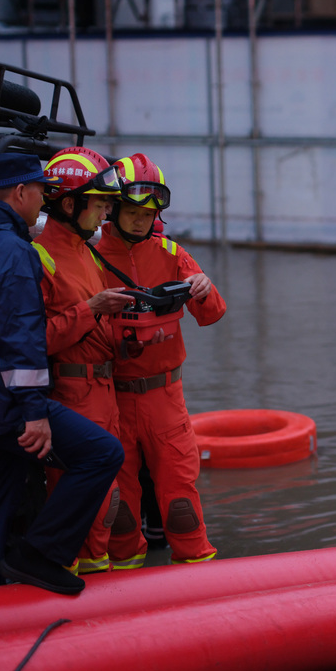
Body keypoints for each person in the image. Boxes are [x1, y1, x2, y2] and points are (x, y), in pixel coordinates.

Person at [0, 152, 123, 595]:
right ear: (20, 192)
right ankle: (40, 556)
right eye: (39, 191)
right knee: (102, 454)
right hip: (4, 405)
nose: (44, 200)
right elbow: (20, 339)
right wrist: (33, 413)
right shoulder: (12, 250)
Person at [95, 153, 224, 569]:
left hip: (164, 394)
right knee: (118, 503)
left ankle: (196, 571)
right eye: (131, 211)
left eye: (147, 213)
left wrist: (203, 288)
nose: (139, 220)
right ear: (113, 208)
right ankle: (123, 579)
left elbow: (214, 313)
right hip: (110, 394)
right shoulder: (91, 254)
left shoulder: (170, 252)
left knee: (180, 492)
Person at [35, 146, 133, 574]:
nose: (107, 213)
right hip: (71, 394)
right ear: (70, 203)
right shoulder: (40, 257)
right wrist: (92, 308)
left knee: (105, 505)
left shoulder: (86, 251)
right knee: (76, 502)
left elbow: (95, 325)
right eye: (101, 204)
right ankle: (66, 579)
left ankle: (99, 588)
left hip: (105, 392)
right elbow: (32, 342)